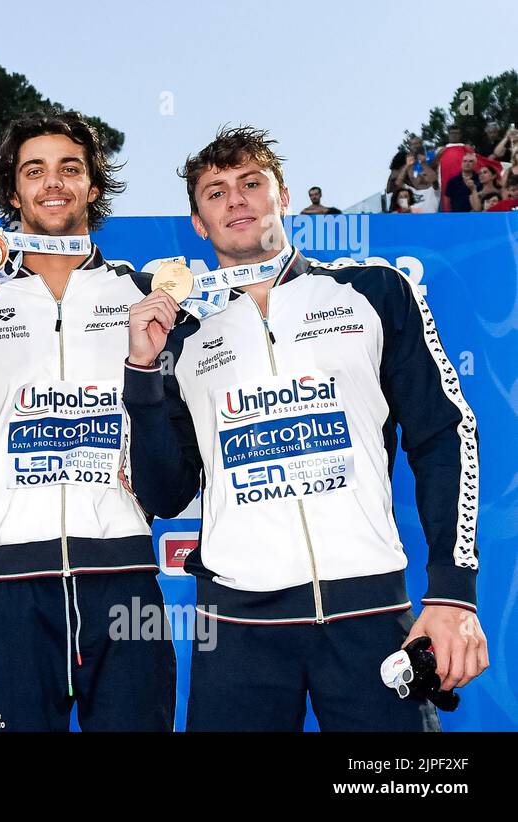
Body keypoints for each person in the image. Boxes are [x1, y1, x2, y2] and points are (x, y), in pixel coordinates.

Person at [124, 126, 487, 731]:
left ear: (283, 197)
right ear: (197, 222)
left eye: (251, 183)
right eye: (215, 192)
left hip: (370, 613)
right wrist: (141, 372)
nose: (235, 200)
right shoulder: (184, 337)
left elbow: (444, 436)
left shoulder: (372, 291)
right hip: (237, 629)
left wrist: (452, 592)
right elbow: (164, 493)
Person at [0, 110, 176, 732]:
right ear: (14, 192)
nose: (52, 184)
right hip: (11, 586)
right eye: (35, 171)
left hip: (125, 585)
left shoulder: (145, 300)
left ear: (93, 186)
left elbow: (176, 475)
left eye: (70, 169)